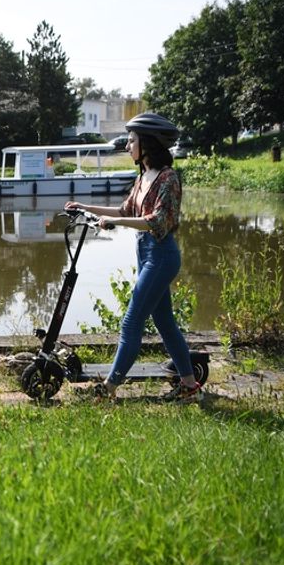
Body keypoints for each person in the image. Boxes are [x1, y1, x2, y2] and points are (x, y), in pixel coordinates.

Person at [65, 112, 202, 402]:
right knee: (165, 323)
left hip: (162, 256)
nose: (127, 146)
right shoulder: (143, 177)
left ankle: (107, 389)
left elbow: (157, 220)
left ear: (147, 144)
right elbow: (124, 210)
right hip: (147, 255)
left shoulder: (168, 178)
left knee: (131, 322)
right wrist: (84, 207)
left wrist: (116, 223)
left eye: (131, 141)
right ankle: (189, 386)